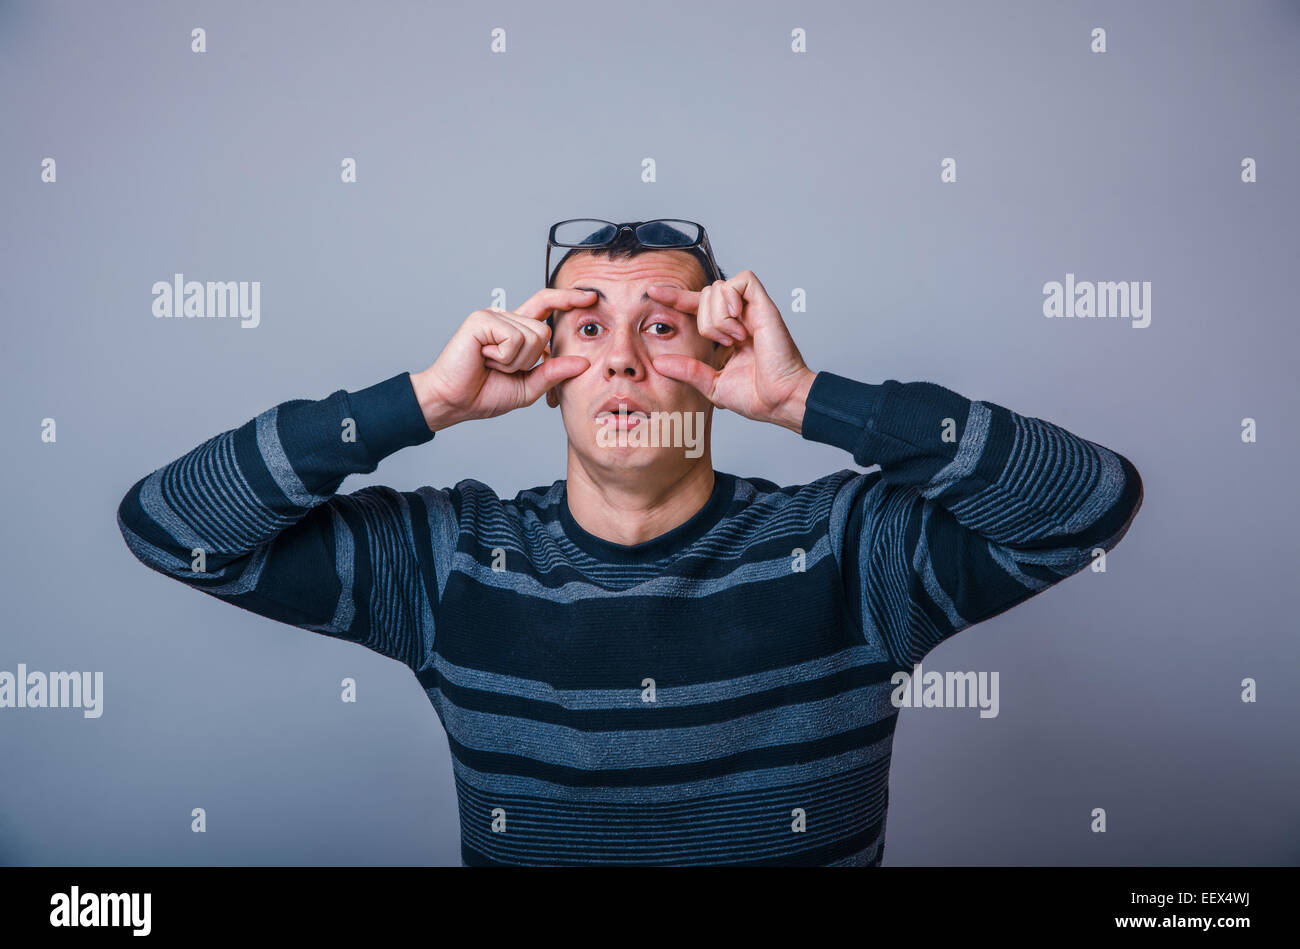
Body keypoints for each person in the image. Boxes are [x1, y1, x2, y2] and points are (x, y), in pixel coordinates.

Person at [117, 218, 1144, 866]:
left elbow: (1088, 502)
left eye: (659, 326)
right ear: (543, 368)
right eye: (585, 329)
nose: (619, 361)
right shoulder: (450, 560)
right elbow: (173, 528)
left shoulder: (847, 548)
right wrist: (422, 403)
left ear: (718, 354)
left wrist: (806, 399)